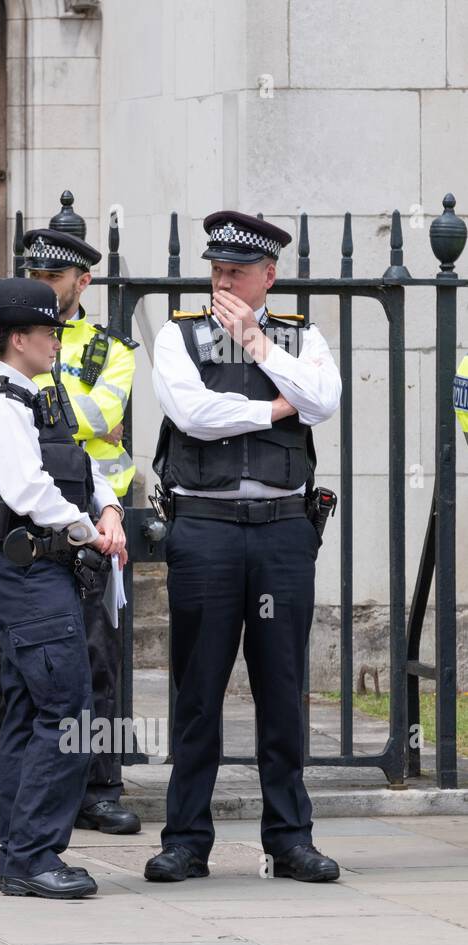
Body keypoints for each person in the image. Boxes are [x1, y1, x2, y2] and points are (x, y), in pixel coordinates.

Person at [145, 210, 342, 884]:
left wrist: (260, 348)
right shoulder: (178, 336)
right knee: (198, 687)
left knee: (282, 688)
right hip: (205, 528)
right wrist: (274, 409)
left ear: (269, 276)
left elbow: (324, 400)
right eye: (217, 269)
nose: (223, 280)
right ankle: (185, 839)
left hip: (285, 529)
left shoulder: (299, 337)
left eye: (237, 271)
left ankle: (290, 838)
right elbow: (192, 414)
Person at [0, 278, 127, 899]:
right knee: (67, 712)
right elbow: (28, 491)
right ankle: (33, 855)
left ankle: (22, 855)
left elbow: (83, 466)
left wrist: (107, 510)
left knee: (35, 709)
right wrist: (90, 532)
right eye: (49, 332)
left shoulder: (42, 399)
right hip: (27, 571)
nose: (58, 340)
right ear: (19, 339)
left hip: (50, 571)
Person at [0, 227, 141, 835]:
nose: (44, 286)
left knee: (97, 662)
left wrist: (72, 414)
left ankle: (98, 786)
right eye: (37, 276)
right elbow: (77, 420)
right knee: (20, 670)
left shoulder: (111, 347)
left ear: (83, 282)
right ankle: (14, 788)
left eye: (55, 278)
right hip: (37, 530)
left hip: (103, 522)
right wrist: (85, 416)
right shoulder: (11, 334)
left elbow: (107, 416)